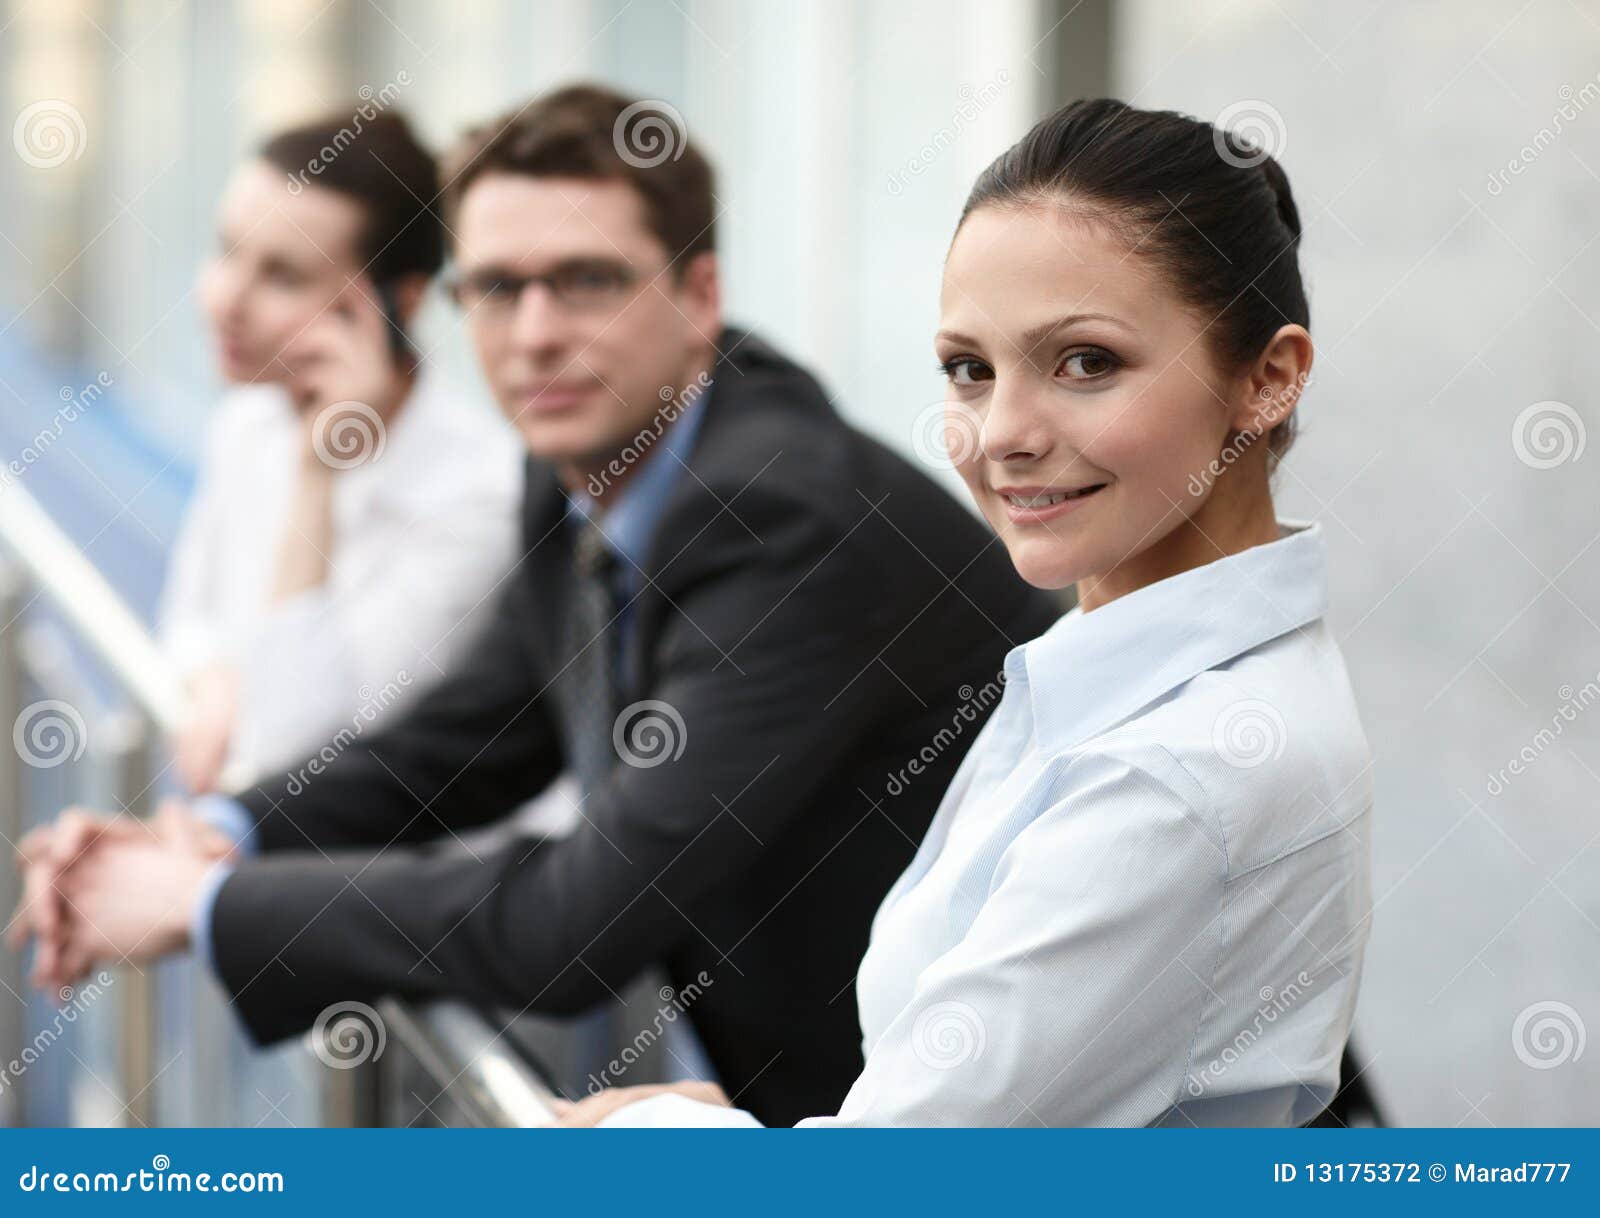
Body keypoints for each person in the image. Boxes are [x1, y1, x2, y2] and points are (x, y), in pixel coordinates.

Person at [9, 85, 1061, 1127]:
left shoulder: (779, 515)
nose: (535, 335)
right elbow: (470, 736)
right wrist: (208, 832)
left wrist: (200, 907)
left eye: (587, 282)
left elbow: (571, 923)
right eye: (498, 288)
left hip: (992, 1114)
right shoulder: (589, 448)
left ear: (700, 298)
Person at [553, 98, 1375, 1128]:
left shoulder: (1179, 769)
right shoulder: (1104, 671)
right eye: (969, 371)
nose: (1003, 436)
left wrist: (644, 1131)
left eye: (1086, 362)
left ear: (1267, 379)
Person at [161, 111, 522, 793]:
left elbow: (295, 755)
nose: (224, 300)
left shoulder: (480, 501)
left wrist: (316, 476)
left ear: (396, 304)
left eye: (282, 275)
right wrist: (213, 686)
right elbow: (191, 615)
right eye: (227, 250)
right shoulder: (249, 420)